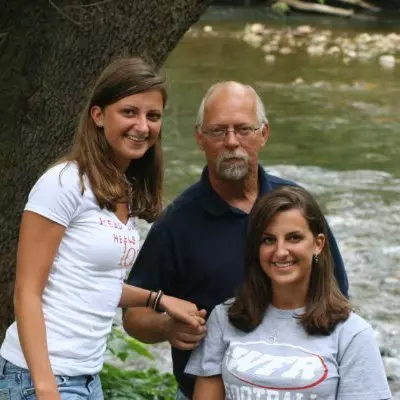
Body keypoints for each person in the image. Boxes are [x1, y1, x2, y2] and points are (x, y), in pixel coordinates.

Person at [123, 81, 349, 400]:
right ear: (199, 138)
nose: (231, 142)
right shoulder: (177, 223)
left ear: (264, 133)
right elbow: (133, 316)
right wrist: (167, 328)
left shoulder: (297, 208)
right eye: (218, 131)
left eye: (243, 129)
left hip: (296, 391)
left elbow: (337, 296)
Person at [0, 57, 204, 400]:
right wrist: (46, 388)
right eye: (129, 112)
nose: (142, 126)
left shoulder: (123, 190)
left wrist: (159, 299)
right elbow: (26, 292)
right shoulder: (65, 183)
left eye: (152, 116)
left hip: (85, 377)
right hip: (42, 378)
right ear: (98, 115)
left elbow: (94, 282)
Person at [185, 185, 391, 400]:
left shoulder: (352, 333)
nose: (280, 252)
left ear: (318, 244)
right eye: (268, 240)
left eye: (294, 238)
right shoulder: (224, 318)